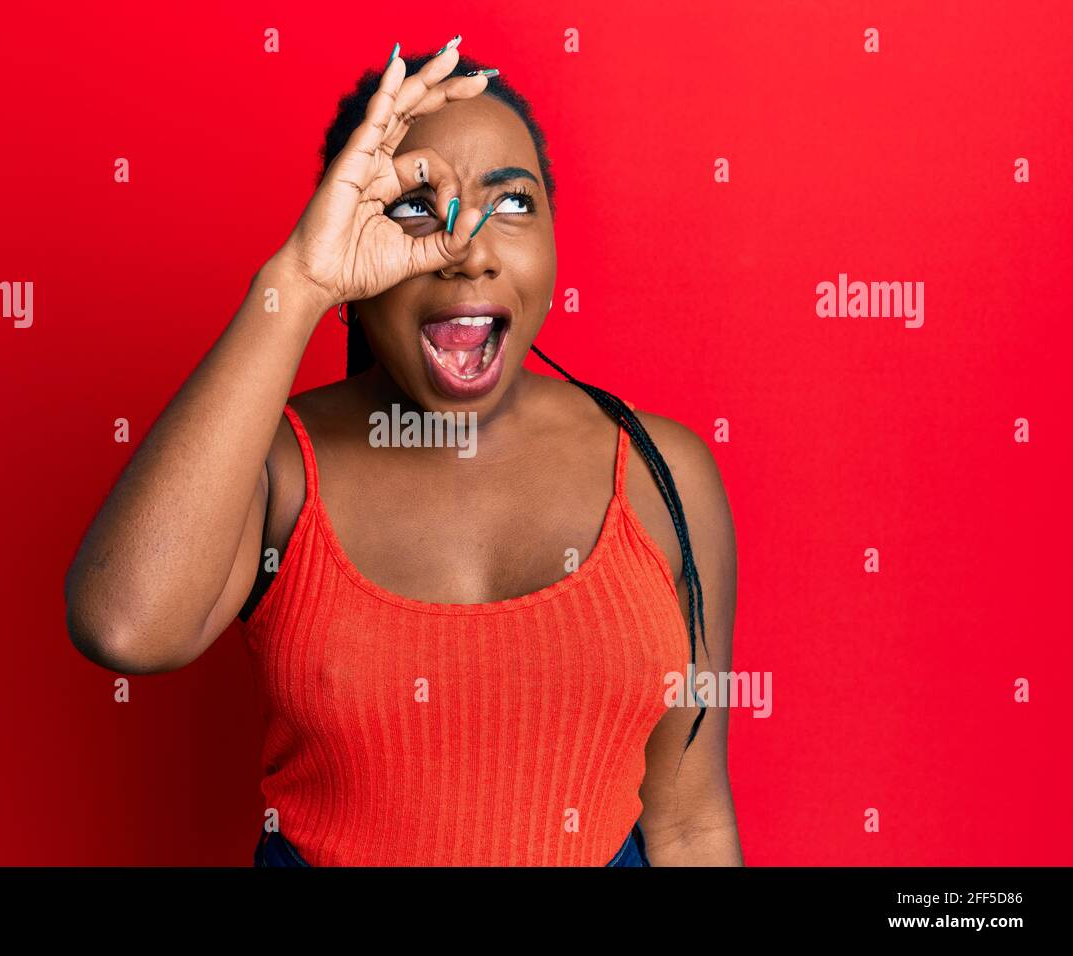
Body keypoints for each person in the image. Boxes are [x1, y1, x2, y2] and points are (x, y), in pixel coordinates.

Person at [65, 37, 743, 866]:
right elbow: (125, 627)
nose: (467, 248)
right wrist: (302, 281)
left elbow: (690, 822)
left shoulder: (661, 473)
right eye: (417, 203)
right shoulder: (276, 465)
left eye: (514, 202)